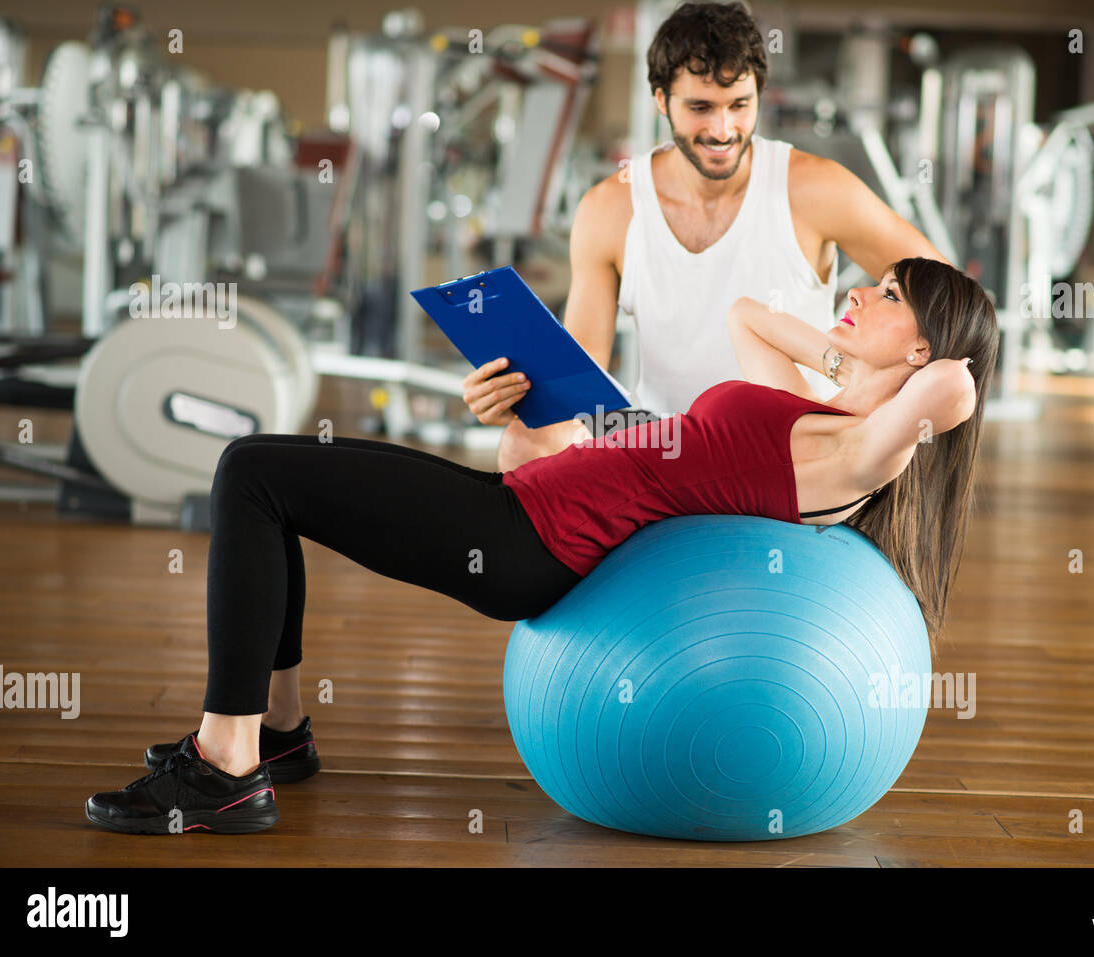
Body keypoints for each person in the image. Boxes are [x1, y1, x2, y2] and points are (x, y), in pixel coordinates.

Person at [84, 257, 997, 835]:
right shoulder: (815, 411)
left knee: (252, 470)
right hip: (520, 500)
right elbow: (749, 316)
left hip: (526, 540)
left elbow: (949, 394)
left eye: (885, 295)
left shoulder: (851, 454)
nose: (856, 292)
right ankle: (272, 738)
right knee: (270, 487)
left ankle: (227, 765)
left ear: (921, 346)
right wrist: (858, 358)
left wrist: (922, 377)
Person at [464, 1, 950, 471]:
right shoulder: (609, 208)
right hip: (662, 436)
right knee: (527, 441)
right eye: (700, 107)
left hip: (790, 442)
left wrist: (875, 394)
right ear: (661, 101)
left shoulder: (815, 187)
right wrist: (512, 396)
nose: (723, 129)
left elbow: (945, 292)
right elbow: (581, 372)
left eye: (740, 105)